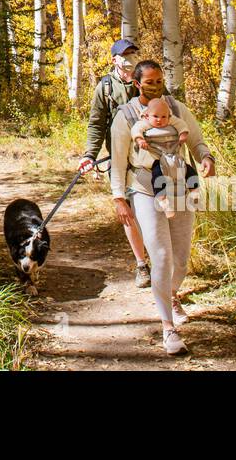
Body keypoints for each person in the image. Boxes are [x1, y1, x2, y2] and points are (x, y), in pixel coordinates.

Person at [109, 60, 215, 357]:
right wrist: (119, 197)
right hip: (144, 188)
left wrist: (205, 157)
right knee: (161, 256)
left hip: (178, 185)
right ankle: (168, 328)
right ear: (137, 83)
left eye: (159, 80)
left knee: (181, 259)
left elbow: (195, 139)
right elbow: (117, 160)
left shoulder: (177, 108)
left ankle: (170, 293)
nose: (156, 85)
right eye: (150, 81)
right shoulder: (126, 116)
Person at [77, 38, 152, 288]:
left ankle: (161, 257)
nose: (129, 58)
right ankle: (142, 265)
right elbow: (96, 124)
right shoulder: (105, 87)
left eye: (133, 53)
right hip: (119, 160)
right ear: (115, 59)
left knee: (155, 210)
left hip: (150, 159)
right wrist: (90, 155)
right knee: (127, 211)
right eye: (125, 55)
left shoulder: (148, 81)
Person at [130, 96, 199, 219]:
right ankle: (163, 200)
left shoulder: (171, 120)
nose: (159, 120)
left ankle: (194, 192)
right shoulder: (145, 123)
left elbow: (181, 124)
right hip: (157, 157)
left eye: (163, 117)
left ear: (168, 116)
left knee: (189, 171)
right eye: (155, 116)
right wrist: (140, 139)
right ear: (147, 116)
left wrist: (183, 133)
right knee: (157, 176)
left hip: (174, 156)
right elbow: (136, 129)